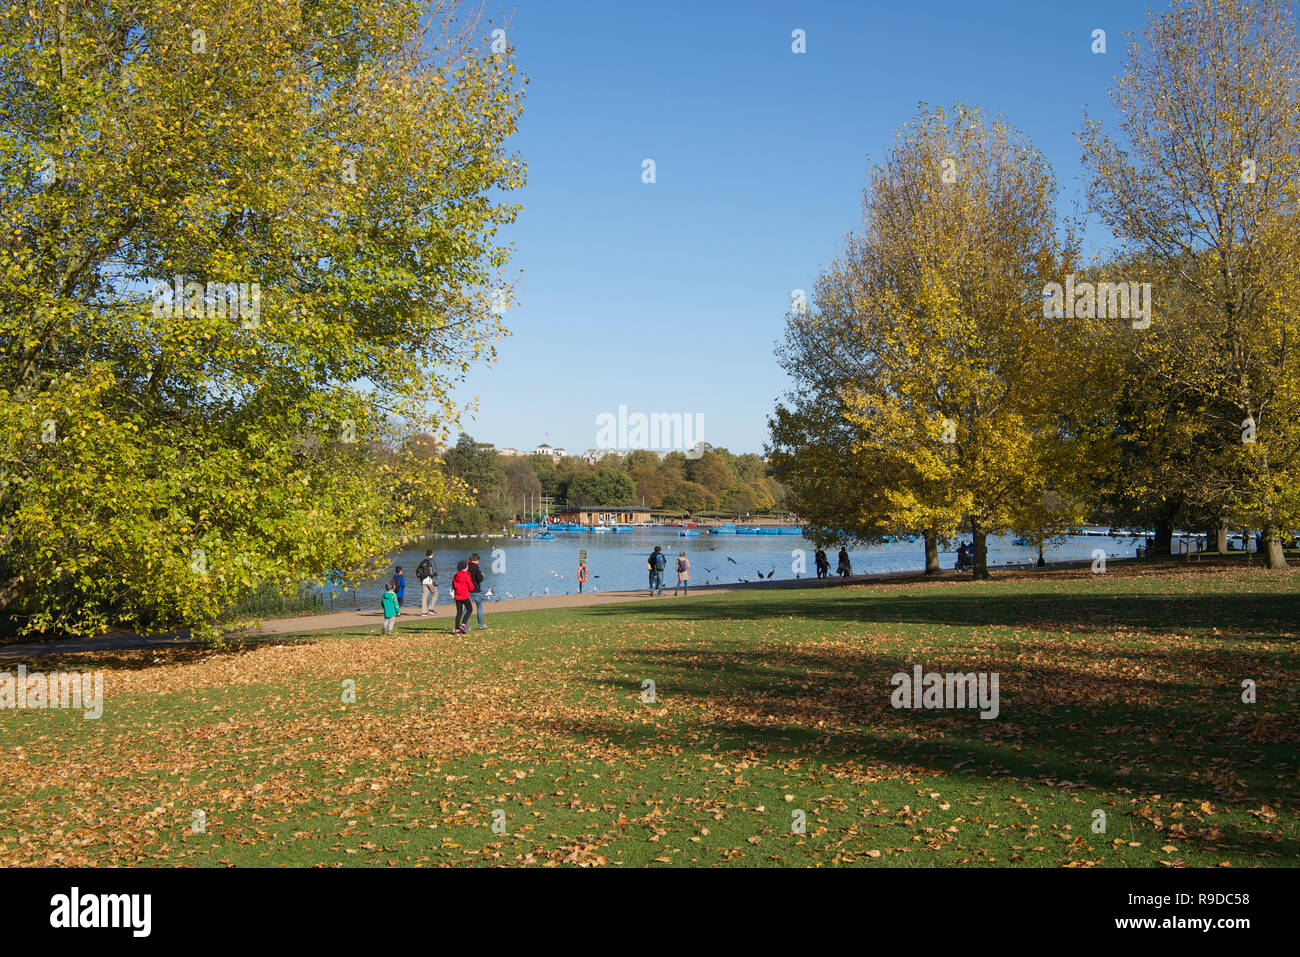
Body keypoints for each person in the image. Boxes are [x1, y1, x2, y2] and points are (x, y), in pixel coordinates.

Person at [451, 560, 473, 634]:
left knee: (459, 613)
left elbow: (453, 586)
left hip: (457, 596)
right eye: (467, 565)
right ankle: (463, 625)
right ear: (465, 567)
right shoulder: (466, 575)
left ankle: (457, 630)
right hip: (464, 596)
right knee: (470, 609)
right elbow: (471, 587)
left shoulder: (455, 576)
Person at [468, 552, 486, 630]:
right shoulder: (476, 567)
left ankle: (465, 625)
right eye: (478, 561)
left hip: (468, 589)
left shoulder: (466, 566)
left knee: (467, 608)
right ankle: (480, 625)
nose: (478, 562)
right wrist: (482, 575)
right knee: (479, 607)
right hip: (476, 590)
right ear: (475, 560)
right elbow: (479, 579)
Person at [416, 550, 436, 616]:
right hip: (429, 580)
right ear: (432, 554)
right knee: (435, 593)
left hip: (423, 580)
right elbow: (434, 571)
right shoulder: (431, 561)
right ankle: (431, 608)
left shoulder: (423, 561)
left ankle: (423, 612)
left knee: (424, 596)